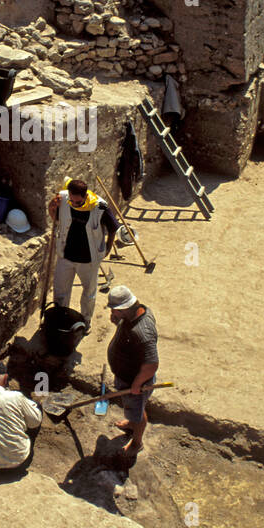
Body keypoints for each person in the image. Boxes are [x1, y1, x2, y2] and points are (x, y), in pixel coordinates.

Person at [47, 177, 118, 324]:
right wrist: (51, 207)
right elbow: (57, 219)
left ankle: (86, 320)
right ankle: (60, 318)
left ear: (86, 196)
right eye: (71, 201)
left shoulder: (100, 207)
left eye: (78, 202)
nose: (74, 204)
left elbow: (112, 229)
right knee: (60, 291)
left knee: (89, 293)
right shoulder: (65, 199)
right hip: (66, 256)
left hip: (88, 259)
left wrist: (107, 249)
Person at [105, 285, 159, 456]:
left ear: (124, 308)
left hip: (134, 381)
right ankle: (131, 423)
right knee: (133, 409)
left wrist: (137, 384)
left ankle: (137, 443)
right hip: (125, 376)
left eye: (115, 309)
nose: (112, 311)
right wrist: (118, 321)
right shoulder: (134, 313)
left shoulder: (143, 332)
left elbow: (151, 365)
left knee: (138, 412)